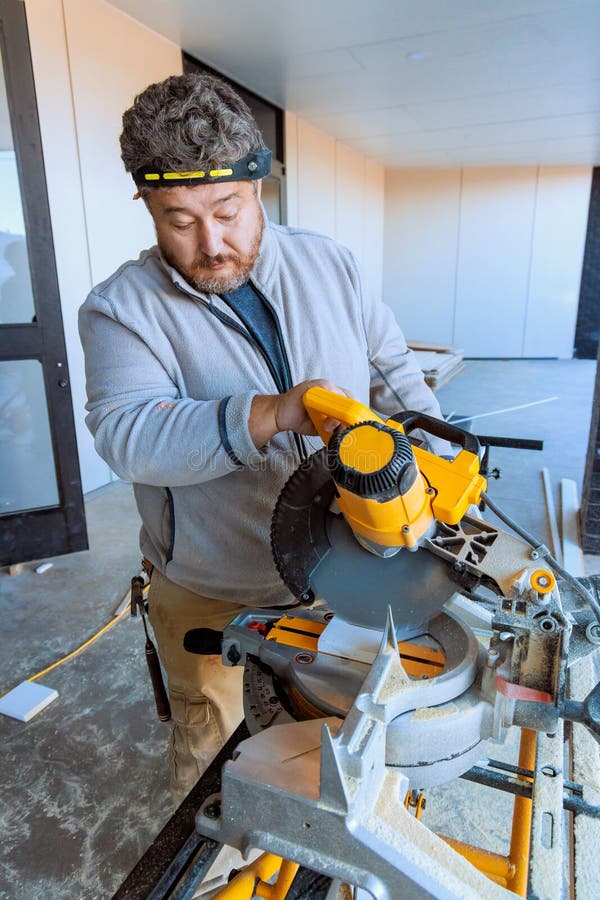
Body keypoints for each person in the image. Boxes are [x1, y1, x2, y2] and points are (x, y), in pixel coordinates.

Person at [79, 72, 450, 806]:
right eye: (177, 219)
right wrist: (275, 412)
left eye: (226, 210)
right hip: (211, 587)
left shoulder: (331, 264)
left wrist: (436, 455)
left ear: (260, 187)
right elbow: (128, 436)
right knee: (216, 760)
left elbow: (392, 373)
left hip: (343, 567)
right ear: (146, 205)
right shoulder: (120, 309)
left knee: (346, 744)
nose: (210, 243)